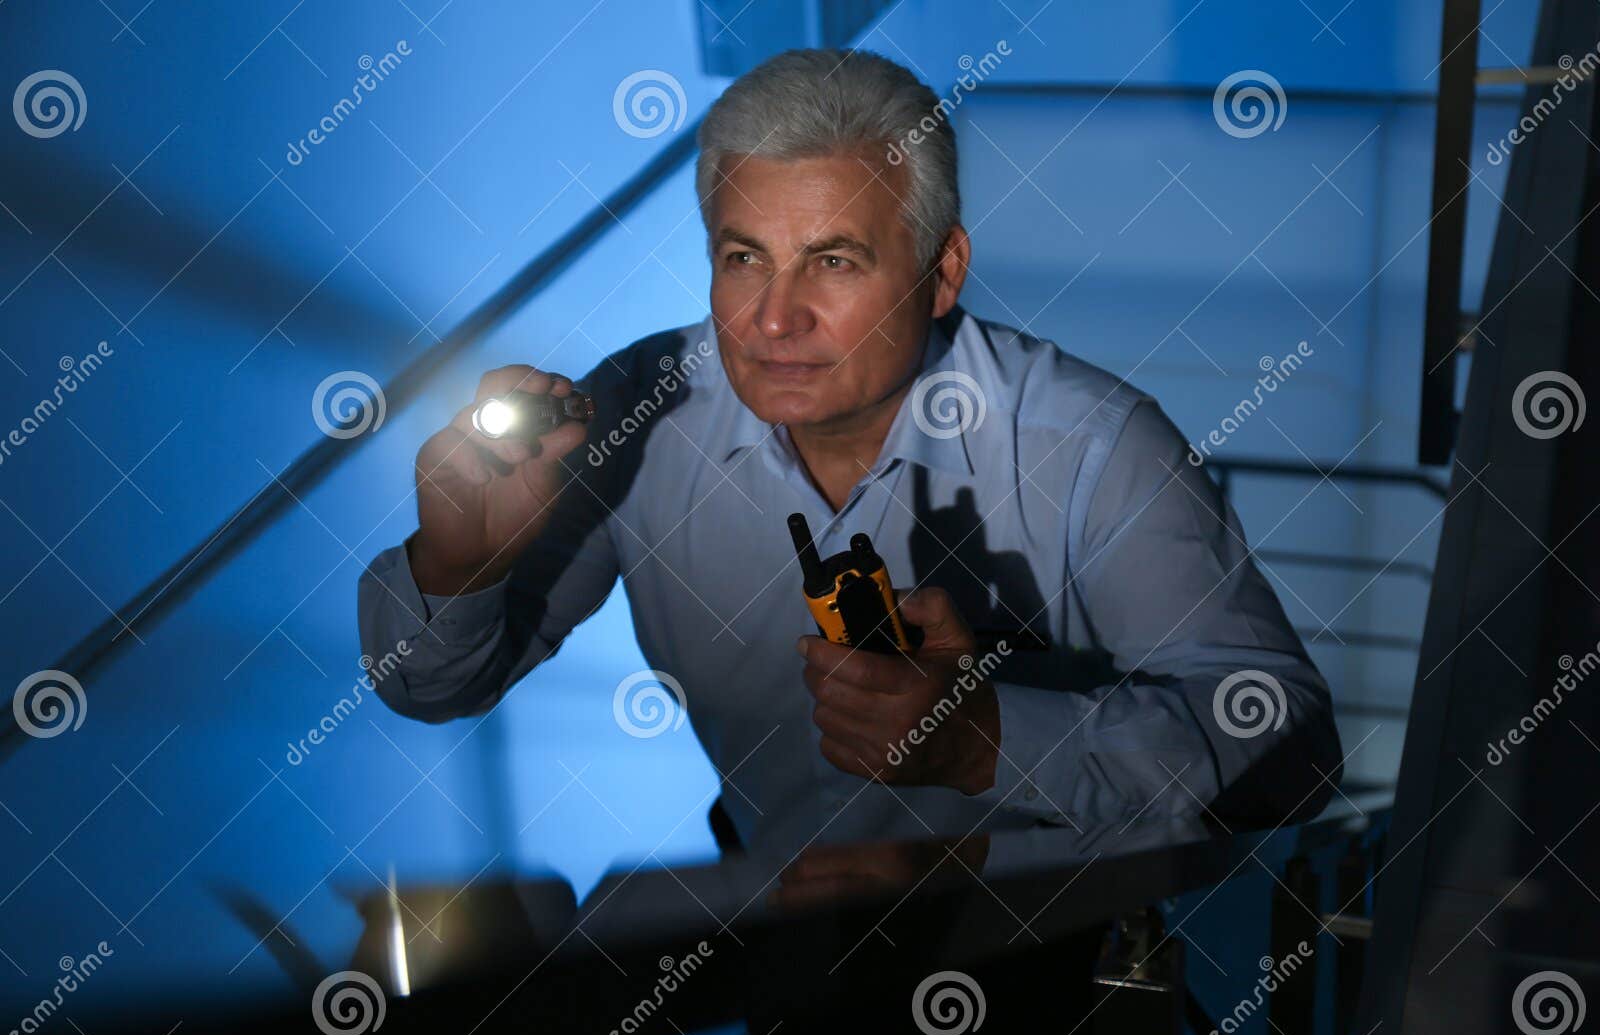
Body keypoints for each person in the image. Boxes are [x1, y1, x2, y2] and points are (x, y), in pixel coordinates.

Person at [358, 48, 1341, 859]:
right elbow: (428, 688)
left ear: (940, 271)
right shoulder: (635, 410)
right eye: (744, 258)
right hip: (771, 953)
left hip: (1043, 965)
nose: (774, 318)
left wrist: (989, 739)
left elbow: (1290, 749)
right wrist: (458, 567)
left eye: (832, 260)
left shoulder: (1091, 445)